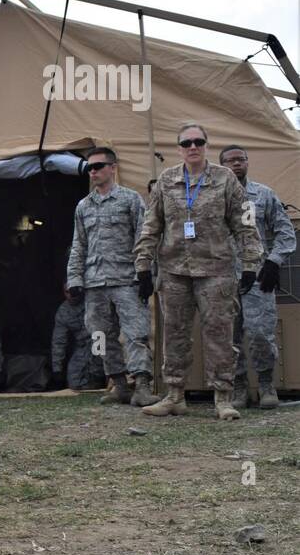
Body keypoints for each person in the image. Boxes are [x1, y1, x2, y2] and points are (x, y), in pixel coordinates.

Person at [136, 123, 263, 420]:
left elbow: (244, 223)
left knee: (219, 334)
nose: (193, 147)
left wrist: (250, 264)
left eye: (198, 141)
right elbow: (151, 224)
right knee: (174, 334)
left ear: (206, 145)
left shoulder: (225, 178)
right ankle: (175, 396)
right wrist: (143, 265)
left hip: (216, 269)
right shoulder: (166, 180)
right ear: (179, 148)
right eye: (186, 143)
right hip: (174, 269)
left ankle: (223, 398)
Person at [65, 146, 158, 406]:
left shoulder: (131, 200)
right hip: (95, 282)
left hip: (127, 279)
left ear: (112, 168)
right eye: (89, 168)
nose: (92, 172)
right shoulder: (83, 206)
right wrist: (74, 279)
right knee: (100, 336)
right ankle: (118, 384)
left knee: (135, 334)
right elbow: (78, 245)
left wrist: (145, 272)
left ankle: (141, 385)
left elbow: (144, 238)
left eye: (97, 166)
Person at [220, 145, 296, 409]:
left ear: (248, 163)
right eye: (230, 161)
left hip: (257, 277)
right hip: (223, 280)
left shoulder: (263, 194)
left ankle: (266, 385)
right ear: (221, 166)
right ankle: (239, 387)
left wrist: (274, 263)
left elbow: (286, 233)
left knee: (261, 333)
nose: (236, 164)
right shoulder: (213, 198)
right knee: (229, 337)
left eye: (240, 159)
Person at [51, 283, 106, 390]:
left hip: (102, 342)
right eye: (67, 292)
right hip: (82, 348)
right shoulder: (63, 311)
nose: (71, 295)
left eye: (74, 291)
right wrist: (57, 369)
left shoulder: (92, 301)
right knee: (74, 381)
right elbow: (58, 341)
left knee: (100, 370)